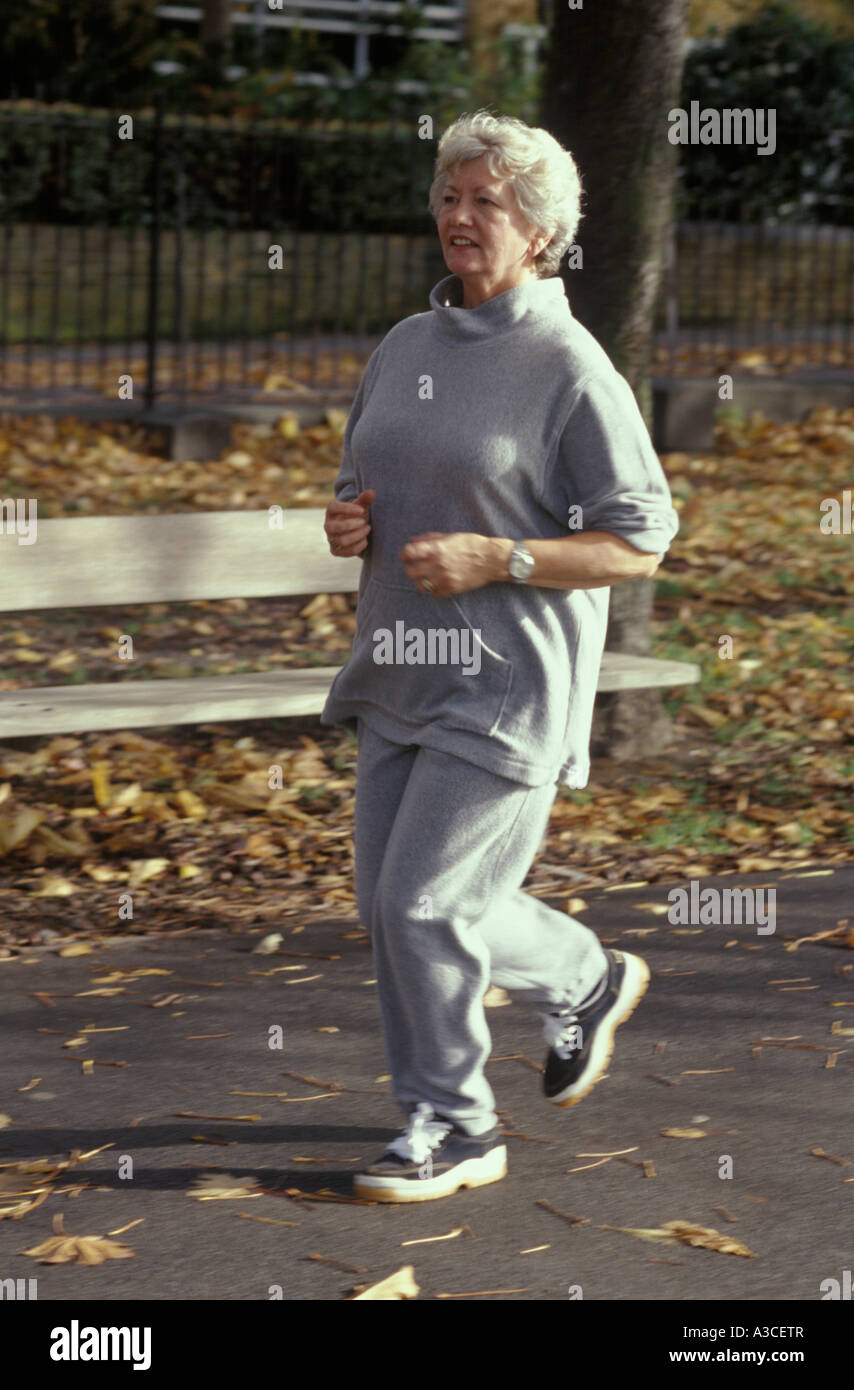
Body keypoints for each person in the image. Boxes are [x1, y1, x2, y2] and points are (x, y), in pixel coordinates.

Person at [320, 110, 680, 1203]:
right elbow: (360, 479)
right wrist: (347, 521)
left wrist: (498, 557)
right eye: (449, 195)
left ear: (539, 231)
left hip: (510, 682)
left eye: (487, 201)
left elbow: (638, 537)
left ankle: (456, 1126)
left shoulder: (568, 363)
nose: (459, 216)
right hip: (399, 668)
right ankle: (582, 973)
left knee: (427, 907)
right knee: (394, 904)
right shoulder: (406, 343)